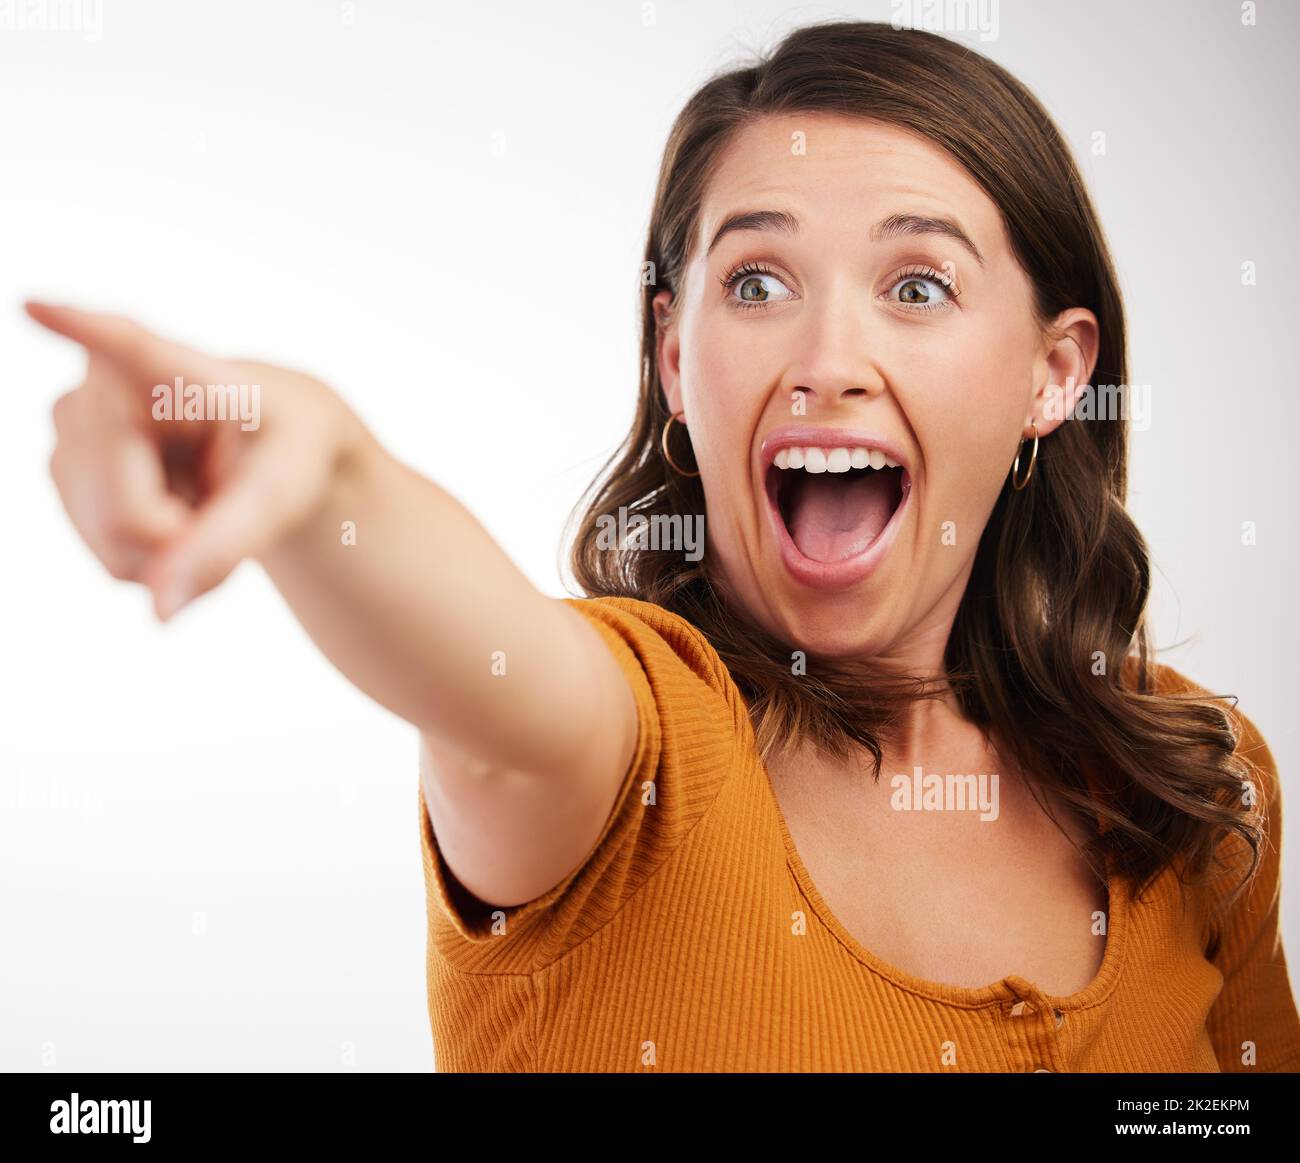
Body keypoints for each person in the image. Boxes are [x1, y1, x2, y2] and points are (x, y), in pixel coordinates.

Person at [31, 20, 1300, 1072]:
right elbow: (492, 676)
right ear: (674, 356)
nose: (824, 364)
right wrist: (318, 470)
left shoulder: (1199, 785)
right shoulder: (628, 760)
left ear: (1053, 371)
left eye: (917, 285)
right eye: (756, 281)